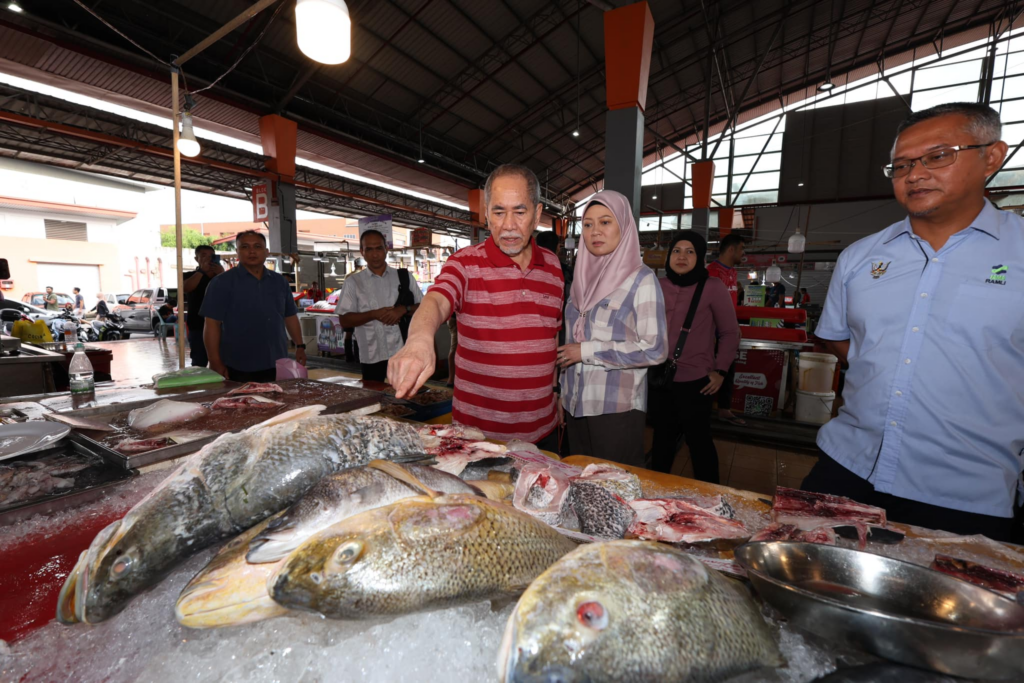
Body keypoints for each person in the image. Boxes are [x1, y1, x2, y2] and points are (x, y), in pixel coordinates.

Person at [803, 102, 1024, 543]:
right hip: (846, 468)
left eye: (938, 156)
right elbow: (843, 344)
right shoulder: (861, 257)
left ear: (992, 157)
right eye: (901, 164)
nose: (915, 174)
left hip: (966, 494)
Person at [387, 164, 564, 449]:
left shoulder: (553, 267)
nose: (508, 224)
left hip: (542, 431)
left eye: (520, 212)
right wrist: (419, 340)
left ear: (537, 214)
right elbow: (436, 299)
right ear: (486, 215)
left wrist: (555, 391)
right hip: (478, 437)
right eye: (498, 212)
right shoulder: (465, 264)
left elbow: (550, 337)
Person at [557, 190, 667, 466]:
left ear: (624, 226)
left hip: (616, 409)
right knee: (579, 483)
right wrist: (562, 393)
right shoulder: (581, 281)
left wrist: (589, 351)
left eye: (606, 222)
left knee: (615, 489)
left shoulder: (642, 280)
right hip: (575, 404)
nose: (596, 231)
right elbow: (568, 346)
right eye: (588, 224)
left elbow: (655, 349)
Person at [650, 231, 740, 482]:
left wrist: (720, 370)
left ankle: (711, 500)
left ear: (699, 257)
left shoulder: (712, 287)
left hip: (697, 382)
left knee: (699, 443)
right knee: (662, 441)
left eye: (690, 252)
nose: (682, 256)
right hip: (660, 378)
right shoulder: (657, 285)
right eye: (677, 251)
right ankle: (656, 496)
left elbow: (730, 332)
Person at [201, 230, 307, 382]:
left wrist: (300, 346)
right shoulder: (221, 283)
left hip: (277, 361)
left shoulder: (280, 282)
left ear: (266, 252)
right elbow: (211, 324)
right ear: (237, 251)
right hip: (237, 363)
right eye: (245, 247)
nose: (251, 251)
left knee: (278, 403)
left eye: (257, 246)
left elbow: (290, 316)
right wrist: (215, 361)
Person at [336, 229, 423, 382]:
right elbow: (344, 320)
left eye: (379, 248)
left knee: (405, 397)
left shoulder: (404, 277)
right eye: (369, 249)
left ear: (386, 249)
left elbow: (424, 307)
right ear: (362, 251)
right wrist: (373, 314)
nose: (375, 254)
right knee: (374, 400)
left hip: (403, 352)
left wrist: (403, 309)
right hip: (371, 355)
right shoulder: (353, 282)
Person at [706, 233, 746, 426]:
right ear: (731, 249)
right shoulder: (712, 272)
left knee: (728, 369)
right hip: (713, 333)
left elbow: (731, 305)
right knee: (711, 370)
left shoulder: (732, 273)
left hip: (727, 332)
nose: (743, 253)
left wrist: (735, 326)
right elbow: (708, 305)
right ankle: (703, 409)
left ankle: (724, 408)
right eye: (741, 249)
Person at [183, 245, 224, 368]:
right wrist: (201, 272)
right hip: (198, 324)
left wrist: (222, 274)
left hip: (222, 324)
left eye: (211, 256)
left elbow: (232, 292)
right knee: (199, 360)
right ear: (197, 259)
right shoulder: (190, 275)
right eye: (204, 256)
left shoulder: (222, 276)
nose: (208, 259)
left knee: (224, 359)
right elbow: (186, 288)